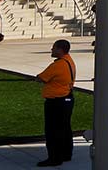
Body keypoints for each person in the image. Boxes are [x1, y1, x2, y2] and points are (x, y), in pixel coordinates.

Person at [34, 38, 76, 167]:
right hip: (67, 98)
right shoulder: (69, 61)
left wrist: (38, 78)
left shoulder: (58, 65)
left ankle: (54, 158)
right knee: (65, 128)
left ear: (60, 50)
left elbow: (41, 78)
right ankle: (66, 154)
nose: (51, 50)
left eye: (54, 47)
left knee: (53, 131)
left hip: (57, 102)